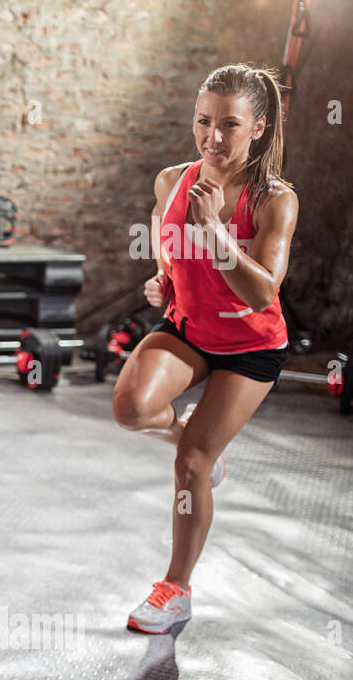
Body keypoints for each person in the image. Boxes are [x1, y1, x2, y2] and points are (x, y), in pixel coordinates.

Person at [113, 63, 296, 634]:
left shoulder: (274, 201)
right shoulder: (171, 181)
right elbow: (167, 253)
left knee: (190, 461)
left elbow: (263, 288)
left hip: (249, 347)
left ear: (259, 129)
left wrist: (217, 234)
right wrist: (161, 278)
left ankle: (176, 589)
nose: (213, 137)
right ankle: (194, 436)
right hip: (190, 328)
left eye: (230, 125)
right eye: (203, 121)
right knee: (131, 409)